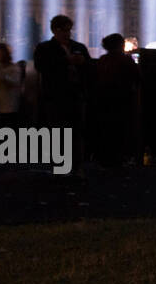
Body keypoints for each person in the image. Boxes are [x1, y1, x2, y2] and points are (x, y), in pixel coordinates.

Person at [33, 15, 92, 173]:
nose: (66, 33)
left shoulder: (49, 47)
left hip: (73, 95)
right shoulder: (45, 48)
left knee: (73, 133)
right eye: (63, 30)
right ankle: (63, 167)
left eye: (68, 30)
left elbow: (90, 69)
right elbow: (41, 66)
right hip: (56, 96)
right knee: (60, 133)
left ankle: (72, 167)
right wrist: (68, 61)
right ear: (54, 30)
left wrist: (83, 63)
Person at [92, 34, 139, 168]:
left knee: (106, 129)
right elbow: (137, 77)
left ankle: (106, 158)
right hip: (122, 100)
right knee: (121, 130)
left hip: (104, 100)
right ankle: (120, 158)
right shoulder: (126, 60)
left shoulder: (102, 59)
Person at [0, 42, 24, 134]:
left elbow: (15, 82)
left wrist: (3, 76)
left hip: (9, 105)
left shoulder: (13, 68)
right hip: (2, 105)